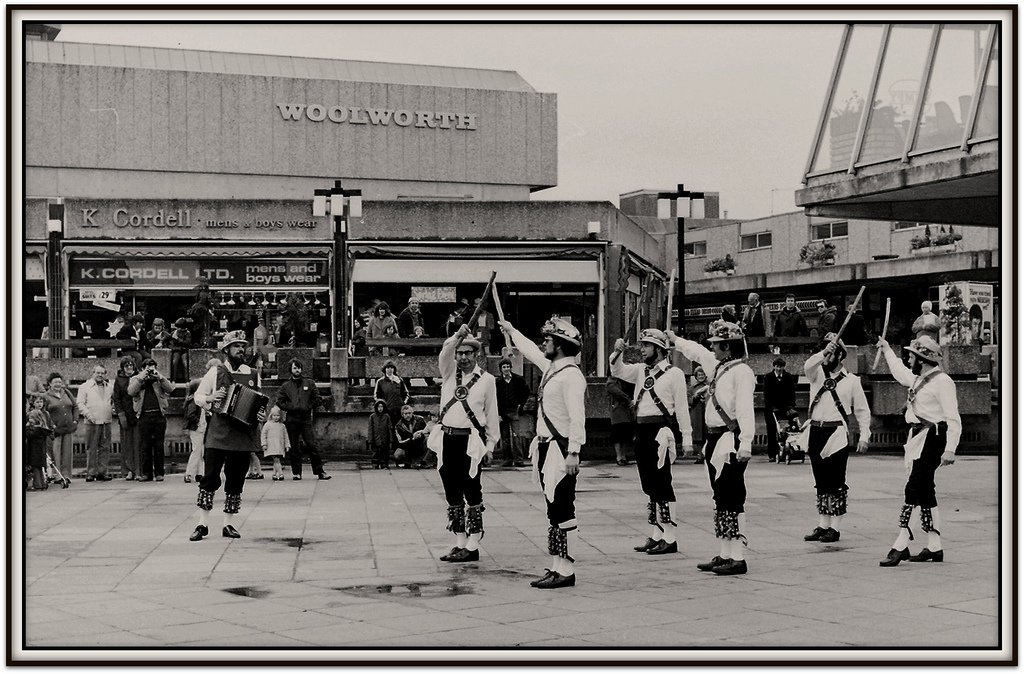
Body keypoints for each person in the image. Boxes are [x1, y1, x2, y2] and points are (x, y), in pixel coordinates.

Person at [500, 317, 586, 589]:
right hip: (547, 447)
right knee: (553, 509)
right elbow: (530, 350)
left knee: (563, 506)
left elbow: (577, 417)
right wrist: (512, 330)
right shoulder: (552, 368)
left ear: (560, 345)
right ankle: (557, 565)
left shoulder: (571, 375)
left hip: (561, 450)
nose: (544, 344)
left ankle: (567, 569)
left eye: (548, 340)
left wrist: (574, 452)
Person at [671, 320, 756, 576]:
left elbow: (744, 409)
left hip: (731, 439)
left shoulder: (742, 372)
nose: (713, 350)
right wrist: (675, 340)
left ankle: (738, 557)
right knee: (720, 497)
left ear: (728, 347)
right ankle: (724, 553)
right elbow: (697, 352)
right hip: (715, 439)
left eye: (717, 345)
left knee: (732, 496)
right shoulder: (720, 368)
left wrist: (747, 443)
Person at [876, 335, 960, 566]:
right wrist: (886, 349)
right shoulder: (918, 378)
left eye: (912, 356)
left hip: (933, 438)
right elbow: (899, 372)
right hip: (917, 437)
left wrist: (950, 449)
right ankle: (935, 547)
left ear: (922, 359)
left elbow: (953, 418)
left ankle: (901, 544)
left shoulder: (943, 382)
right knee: (925, 490)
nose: (908, 359)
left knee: (913, 486)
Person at [611, 328, 692, 556]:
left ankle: (670, 536)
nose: (641, 349)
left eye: (646, 346)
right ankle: (658, 533)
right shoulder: (640, 371)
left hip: (661, 431)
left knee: (662, 482)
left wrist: (686, 437)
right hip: (642, 430)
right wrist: (617, 352)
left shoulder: (674, 374)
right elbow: (617, 370)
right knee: (648, 484)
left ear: (658, 349)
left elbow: (683, 409)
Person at [425, 323, 499, 565]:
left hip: (470, 441)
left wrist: (490, 445)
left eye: (468, 353)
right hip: (447, 438)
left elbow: (491, 412)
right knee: (450, 489)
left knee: (472, 489)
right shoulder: (448, 373)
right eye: (460, 353)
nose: (464, 357)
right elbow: (443, 353)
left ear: (476, 355)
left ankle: (474, 543)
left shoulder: (487, 380)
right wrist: (456, 336)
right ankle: (459, 541)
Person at [190, 330, 268, 541]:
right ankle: (202, 524)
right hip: (218, 433)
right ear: (226, 350)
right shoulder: (216, 372)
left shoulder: (252, 373)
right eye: (236, 346)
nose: (241, 349)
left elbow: (259, 402)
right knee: (210, 478)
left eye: (243, 346)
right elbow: (197, 396)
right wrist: (211, 397)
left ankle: (228, 524)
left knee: (236, 480)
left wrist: (260, 413)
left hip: (242, 435)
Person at [800, 334, 871, 544]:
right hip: (816, 430)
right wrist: (823, 351)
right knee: (820, 480)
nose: (826, 357)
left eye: (831, 353)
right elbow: (807, 365)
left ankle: (835, 527)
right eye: (826, 352)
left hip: (837, 433)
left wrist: (864, 435)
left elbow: (862, 410)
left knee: (836, 481)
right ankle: (823, 524)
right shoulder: (816, 375)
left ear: (840, 356)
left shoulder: (852, 381)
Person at [275, 359, 331, 481]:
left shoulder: (309, 383)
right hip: (292, 418)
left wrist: (308, 406)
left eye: (299, 368)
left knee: (312, 445)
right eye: (295, 368)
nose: (297, 370)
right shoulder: (286, 386)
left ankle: (320, 471)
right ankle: (296, 472)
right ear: (290, 370)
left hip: (305, 418)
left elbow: (317, 398)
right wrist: (290, 407)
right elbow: (279, 401)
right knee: (294, 447)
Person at [127, 357, 175, 482]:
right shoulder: (135, 379)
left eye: (152, 367)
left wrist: (159, 377)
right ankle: (146, 473)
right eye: (147, 367)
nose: (150, 370)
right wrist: (142, 377)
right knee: (145, 446)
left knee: (159, 446)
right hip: (144, 416)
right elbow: (131, 391)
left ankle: (159, 473)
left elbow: (170, 389)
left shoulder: (159, 379)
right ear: (142, 369)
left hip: (159, 415)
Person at [184, 358, 221, 483]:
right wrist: (198, 422)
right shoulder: (194, 401)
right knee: (197, 451)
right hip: (197, 428)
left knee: (201, 451)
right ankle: (189, 473)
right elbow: (190, 415)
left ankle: (199, 473)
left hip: (202, 427)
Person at [76, 364, 114, 482]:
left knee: (105, 447)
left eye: (102, 373)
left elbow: (112, 401)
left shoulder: (109, 387)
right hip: (92, 421)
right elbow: (80, 403)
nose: (100, 375)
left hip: (106, 420)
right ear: (93, 373)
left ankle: (102, 472)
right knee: (91, 448)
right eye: (98, 373)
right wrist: (88, 414)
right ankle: (91, 473)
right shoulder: (85, 387)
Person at [496, 358, 530, 467]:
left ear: (511, 367)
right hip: (503, 412)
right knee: (505, 437)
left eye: (508, 367)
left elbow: (526, 392)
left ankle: (519, 459)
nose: (506, 369)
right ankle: (507, 459)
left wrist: (521, 404)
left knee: (517, 435)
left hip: (515, 410)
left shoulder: (518, 379)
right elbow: (495, 397)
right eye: (504, 367)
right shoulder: (497, 382)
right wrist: (498, 414)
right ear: (501, 369)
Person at [44, 373, 78, 482]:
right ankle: (57, 475)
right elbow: (44, 412)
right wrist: (50, 425)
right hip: (55, 430)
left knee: (67, 453)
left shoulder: (66, 392)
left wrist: (75, 420)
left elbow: (75, 406)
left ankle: (66, 475)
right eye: (55, 382)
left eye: (59, 382)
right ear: (50, 384)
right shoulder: (46, 396)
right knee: (55, 452)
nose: (58, 384)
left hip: (68, 427)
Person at [762, 358, 798, 463]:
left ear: (783, 367)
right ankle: (772, 454)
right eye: (777, 366)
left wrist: (791, 406)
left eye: (781, 366)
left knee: (787, 430)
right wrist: (771, 406)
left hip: (785, 408)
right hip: (771, 409)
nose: (779, 368)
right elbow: (766, 393)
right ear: (774, 366)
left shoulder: (788, 377)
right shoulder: (768, 377)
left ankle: (787, 451)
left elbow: (792, 392)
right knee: (772, 430)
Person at [111, 357, 141, 481]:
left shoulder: (139, 377)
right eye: (126, 366)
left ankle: (139, 470)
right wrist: (121, 414)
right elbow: (116, 399)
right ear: (123, 367)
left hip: (137, 414)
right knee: (126, 444)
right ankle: (128, 470)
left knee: (138, 443)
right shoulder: (119, 380)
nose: (129, 368)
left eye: (131, 365)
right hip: (125, 414)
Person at [25, 396, 53, 491]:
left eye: (31, 418)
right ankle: (42, 483)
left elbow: (29, 434)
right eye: (37, 402)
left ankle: (38, 484)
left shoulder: (35, 429)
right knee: (41, 467)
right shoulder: (42, 429)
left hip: (34, 451)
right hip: (40, 449)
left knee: (36, 467)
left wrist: (27, 427)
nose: (30, 420)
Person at [606, 376, 635, 467]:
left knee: (624, 434)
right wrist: (627, 398)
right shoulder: (613, 380)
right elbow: (612, 389)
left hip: (624, 410)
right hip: (618, 409)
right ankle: (620, 457)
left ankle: (623, 456)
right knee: (618, 433)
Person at [373, 360, 410, 424]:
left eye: (392, 368)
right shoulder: (380, 381)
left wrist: (403, 403)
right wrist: (383, 406)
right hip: (388, 410)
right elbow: (376, 396)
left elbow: (406, 393)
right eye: (388, 368)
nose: (390, 370)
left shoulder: (399, 380)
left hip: (399, 409)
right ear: (384, 369)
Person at [261, 406, 290, 480]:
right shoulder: (267, 425)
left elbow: (286, 435)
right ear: (271, 415)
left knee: (276, 460)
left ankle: (274, 474)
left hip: (279, 445)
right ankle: (280, 474)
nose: (276, 417)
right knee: (276, 459)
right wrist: (264, 444)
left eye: (278, 415)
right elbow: (263, 434)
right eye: (274, 415)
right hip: (271, 445)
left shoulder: (282, 425)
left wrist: (287, 445)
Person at [688, 366, 709, 464]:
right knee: (698, 434)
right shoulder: (692, 388)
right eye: (699, 375)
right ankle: (700, 454)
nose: (701, 376)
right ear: (696, 376)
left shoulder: (709, 385)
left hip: (707, 411)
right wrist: (696, 396)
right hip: (697, 412)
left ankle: (707, 453)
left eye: (703, 374)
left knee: (707, 432)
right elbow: (689, 401)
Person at [368, 400, 394, 469]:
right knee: (375, 452)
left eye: (382, 406)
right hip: (375, 438)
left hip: (384, 438)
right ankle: (375, 464)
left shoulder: (387, 416)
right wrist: (370, 439)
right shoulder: (372, 417)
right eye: (378, 406)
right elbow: (370, 429)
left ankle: (384, 464)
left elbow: (389, 428)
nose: (380, 408)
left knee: (384, 452)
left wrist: (391, 439)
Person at [169, 318, 193, 382]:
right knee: (174, 362)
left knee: (185, 363)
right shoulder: (174, 332)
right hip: (176, 350)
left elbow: (187, 343)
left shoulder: (187, 333)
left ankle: (187, 379)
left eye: (179, 327)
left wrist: (177, 339)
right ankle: (173, 379)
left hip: (184, 350)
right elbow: (169, 339)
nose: (177, 329)